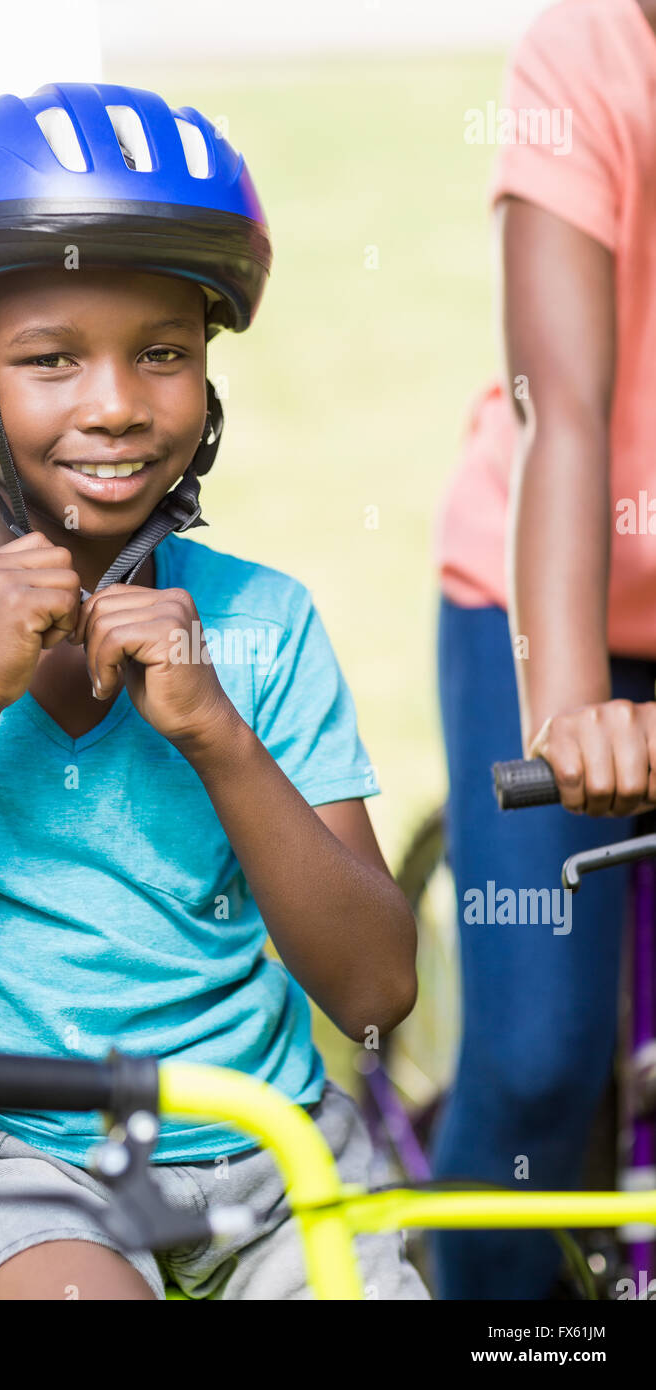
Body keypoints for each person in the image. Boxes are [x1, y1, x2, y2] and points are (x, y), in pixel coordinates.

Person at [0, 81, 428, 1301]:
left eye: (163, 354)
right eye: (49, 359)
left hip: (265, 1142)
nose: (118, 405)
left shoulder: (263, 624)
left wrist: (217, 736)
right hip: (11, 1152)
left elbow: (373, 990)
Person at [433, 0, 656, 1299]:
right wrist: (568, 703)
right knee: (533, 1061)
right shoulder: (587, 48)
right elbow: (557, 409)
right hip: (552, 601)